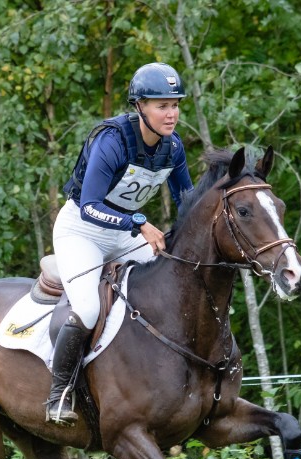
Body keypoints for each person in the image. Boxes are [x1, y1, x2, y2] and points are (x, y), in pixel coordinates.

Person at [46, 62, 195, 425]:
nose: (171, 113)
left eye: (175, 104)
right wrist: (140, 223)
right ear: (140, 105)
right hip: (81, 230)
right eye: (162, 105)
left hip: (126, 233)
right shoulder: (112, 140)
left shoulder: (172, 148)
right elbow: (90, 206)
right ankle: (59, 394)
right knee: (88, 307)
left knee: (172, 286)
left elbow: (187, 202)